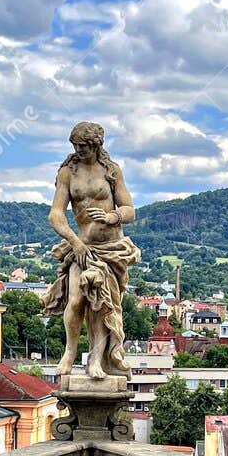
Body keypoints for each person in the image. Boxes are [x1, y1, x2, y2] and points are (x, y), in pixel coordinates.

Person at [42, 122, 141, 379]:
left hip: (111, 249)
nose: (78, 150)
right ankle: (69, 351)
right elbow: (56, 214)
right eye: (75, 145)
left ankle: (96, 359)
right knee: (76, 300)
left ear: (97, 145)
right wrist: (75, 242)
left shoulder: (111, 172)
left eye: (83, 146)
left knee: (103, 305)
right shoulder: (68, 173)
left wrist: (112, 217)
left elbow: (130, 210)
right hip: (82, 247)